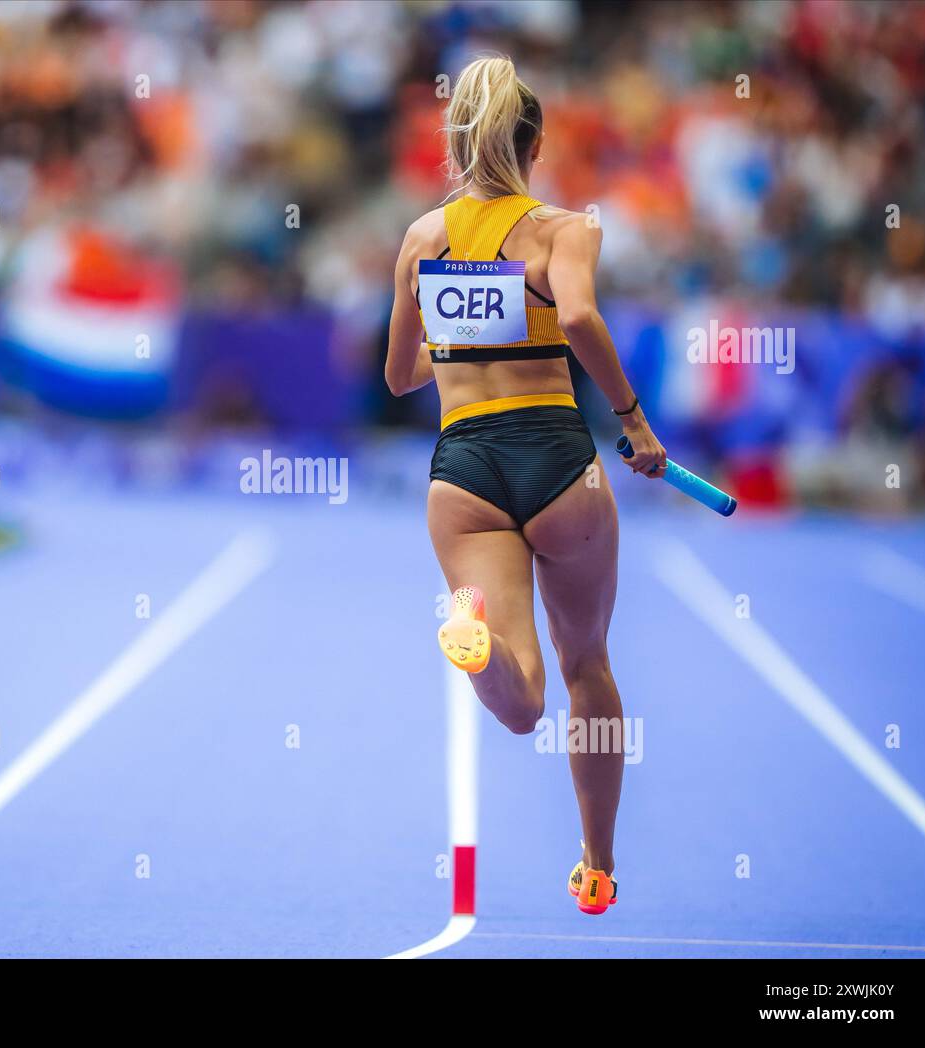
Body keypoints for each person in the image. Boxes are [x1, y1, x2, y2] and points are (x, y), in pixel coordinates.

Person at [384, 55, 667, 915]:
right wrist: (633, 419)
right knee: (587, 664)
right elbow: (577, 316)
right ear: (535, 141)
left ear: (458, 141)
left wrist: (464, 343)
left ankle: (479, 641)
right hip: (554, 454)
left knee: (520, 700)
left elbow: (399, 377)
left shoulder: (422, 239)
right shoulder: (564, 229)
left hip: (462, 467)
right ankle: (596, 863)